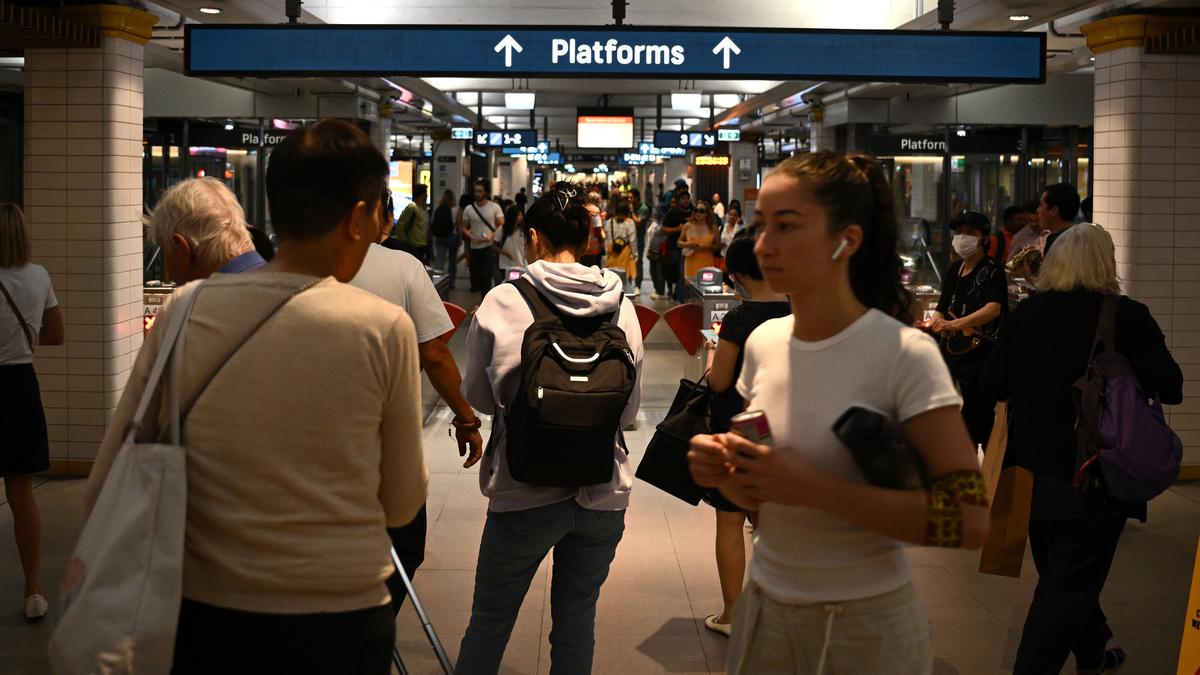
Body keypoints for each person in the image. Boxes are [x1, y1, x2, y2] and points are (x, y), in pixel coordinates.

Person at [87, 119, 427, 674]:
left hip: (209, 614)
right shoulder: (383, 327)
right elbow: (403, 501)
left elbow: (106, 482)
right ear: (362, 216)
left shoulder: (185, 309)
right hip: (341, 615)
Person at [688, 151, 988, 675]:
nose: (763, 246)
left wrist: (814, 487)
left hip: (863, 626)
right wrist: (731, 476)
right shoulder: (763, 342)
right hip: (765, 614)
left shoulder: (902, 355)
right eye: (761, 227)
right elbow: (763, 498)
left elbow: (968, 520)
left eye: (786, 227)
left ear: (845, 241)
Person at [457, 185, 644, 675]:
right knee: (577, 618)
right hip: (603, 491)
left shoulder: (502, 300)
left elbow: (477, 397)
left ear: (533, 237)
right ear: (588, 240)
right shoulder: (622, 306)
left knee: (490, 621)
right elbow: (627, 414)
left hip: (524, 490)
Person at [981, 223, 1182, 675]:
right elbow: (1170, 386)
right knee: (1066, 587)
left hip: (1026, 477)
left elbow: (992, 382)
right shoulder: (1126, 317)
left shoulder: (1027, 316)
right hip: (1091, 478)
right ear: (1106, 264)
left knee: (1062, 575)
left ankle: (1093, 654)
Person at [350, 220, 485, 614]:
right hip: (384, 438)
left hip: (305, 442)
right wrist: (466, 419)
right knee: (405, 546)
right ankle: (370, 623)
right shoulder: (403, 266)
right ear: (378, 215)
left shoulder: (285, 269)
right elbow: (435, 354)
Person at [699, 231, 790, 638]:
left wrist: (713, 356)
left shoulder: (740, 319)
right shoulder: (798, 311)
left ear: (734, 275)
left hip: (740, 429)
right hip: (785, 431)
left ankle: (733, 614)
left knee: (730, 521)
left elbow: (719, 383)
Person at [0, 203, 63, 621]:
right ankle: (34, 590)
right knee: (22, 493)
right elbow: (56, 334)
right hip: (20, 386)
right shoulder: (38, 276)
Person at [923, 211, 1007, 449]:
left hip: (982, 354)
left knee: (976, 411)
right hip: (956, 352)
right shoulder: (955, 269)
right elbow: (942, 306)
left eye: (970, 233)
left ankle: (981, 458)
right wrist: (937, 322)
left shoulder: (992, 269)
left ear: (983, 238)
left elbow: (993, 309)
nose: (963, 238)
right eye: (959, 232)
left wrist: (955, 324)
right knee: (961, 409)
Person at [149, 177, 267, 284]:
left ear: (180, 247)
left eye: (166, 253)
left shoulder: (194, 304)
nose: (169, 273)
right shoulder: (280, 281)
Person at [460, 182, 504, 302]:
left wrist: (492, 236)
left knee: (486, 275)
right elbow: (463, 227)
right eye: (475, 191)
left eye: (480, 191)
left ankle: (486, 300)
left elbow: (501, 224)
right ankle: (482, 295)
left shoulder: (494, 207)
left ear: (485, 192)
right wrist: (470, 236)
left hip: (488, 247)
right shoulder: (469, 209)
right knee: (475, 276)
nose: (478, 194)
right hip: (474, 247)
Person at [657, 188, 691, 300]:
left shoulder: (693, 212)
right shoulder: (673, 213)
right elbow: (663, 229)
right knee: (676, 273)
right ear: (678, 200)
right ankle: (677, 294)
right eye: (683, 198)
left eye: (687, 198)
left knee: (684, 274)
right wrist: (677, 229)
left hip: (691, 249)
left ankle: (681, 297)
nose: (686, 201)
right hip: (674, 248)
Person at [678, 199, 719, 279]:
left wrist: (707, 247)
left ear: (707, 213)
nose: (698, 213)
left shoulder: (713, 228)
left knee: (706, 287)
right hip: (690, 263)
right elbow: (679, 242)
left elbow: (718, 246)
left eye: (701, 211)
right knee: (690, 289)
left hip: (707, 263)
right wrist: (688, 244)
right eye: (696, 210)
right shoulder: (688, 225)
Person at [1038, 183, 1081, 254]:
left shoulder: (1056, 242)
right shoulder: (1082, 238)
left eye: (1041, 205)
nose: (1037, 210)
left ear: (1054, 211)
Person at [431, 189, 461, 290]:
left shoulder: (438, 208)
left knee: (440, 260)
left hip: (440, 237)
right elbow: (459, 225)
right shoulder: (457, 209)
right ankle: (451, 283)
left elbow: (433, 222)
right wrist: (460, 238)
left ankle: (439, 282)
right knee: (453, 261)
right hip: (453, 236)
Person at [605, 199, 638, 288]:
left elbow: (608, 239)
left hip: (612, 252)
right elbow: (632, 240)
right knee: (626, 278)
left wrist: (609, 251)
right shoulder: (630, 222)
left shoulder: (609, 222)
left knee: (612, 279)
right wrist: (635, 254)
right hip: (626, 253)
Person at [394, 183, 430, 263]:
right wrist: (404, 244)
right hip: (413, 245)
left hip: (422, 245)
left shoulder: (423, 208)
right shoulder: (412, 207)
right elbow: (400, 225)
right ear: (421, 194)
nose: (427, 195)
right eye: (425, 193)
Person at [498, 203, 528, 277]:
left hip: (521, 265)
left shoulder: (523, 230)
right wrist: (506, 253)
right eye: (518, 215)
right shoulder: (503, 229)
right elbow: (493, 245)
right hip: (506, 265)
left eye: (521, 215)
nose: (521, 217)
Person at [631, 188, 650, 292]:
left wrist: (632, 212)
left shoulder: (644, 208)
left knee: (638, 262)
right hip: (629, 239)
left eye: (631, 197)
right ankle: (628, 282)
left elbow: (638, 222)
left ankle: (638, 285)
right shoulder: (629, 207)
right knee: (629, 260)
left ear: (637, 197)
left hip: (639, 239)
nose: (630, 199)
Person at [580, 190, 606, 268]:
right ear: (596, 200)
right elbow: (597, 229)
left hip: (583, 246)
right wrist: (602, 241)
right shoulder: (595, 211)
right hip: (594, 248)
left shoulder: (583, 208)